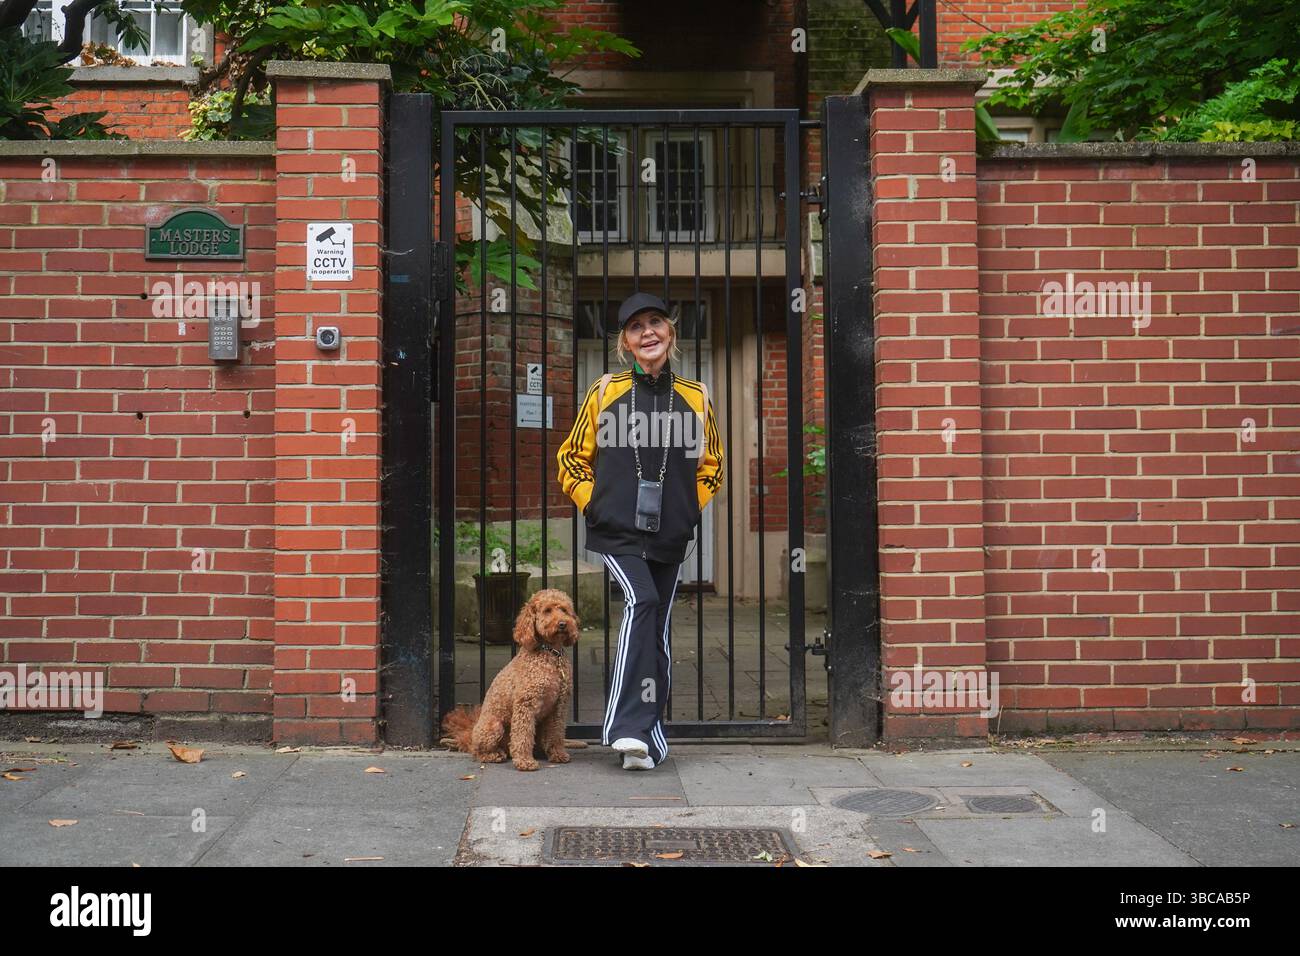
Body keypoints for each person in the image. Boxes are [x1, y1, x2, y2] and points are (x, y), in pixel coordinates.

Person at [556, 293, 724, 770]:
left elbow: (713, 464)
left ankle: (650, 741)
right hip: (617, 530)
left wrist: (687, 510)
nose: (647, 332)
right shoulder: (604, 390)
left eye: (656, 323)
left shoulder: (696, 395)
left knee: (658, 630)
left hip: (669, 532)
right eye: (636, 328)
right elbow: (570, 459)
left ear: (670, 332)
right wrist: (597, 505)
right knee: (642, 602)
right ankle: (625, 728)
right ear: (625, 344)